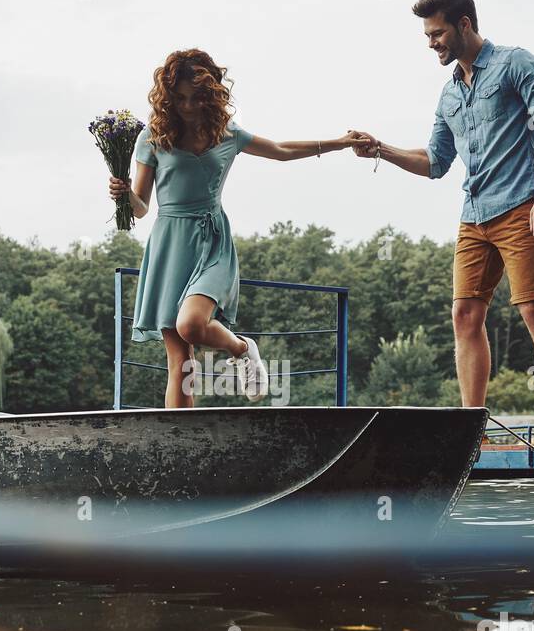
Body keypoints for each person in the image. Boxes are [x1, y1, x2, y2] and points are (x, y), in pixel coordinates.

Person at [349, 0, 534, 443]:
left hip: (520, 206)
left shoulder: (516, 64)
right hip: (473, 214)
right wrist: (381, 150)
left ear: (465, 25)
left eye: (436, 33)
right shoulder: (449, 93)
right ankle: (471, 429)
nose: (431, 43)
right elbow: (435, 162)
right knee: (464, 315)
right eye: (427, 35)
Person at [110, 48, 362, 408]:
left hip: (212, 243)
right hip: (168, 245)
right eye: (179, 98)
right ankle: (183, 448)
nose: (188, 106)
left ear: (210, 94)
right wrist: (124, 196)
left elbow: (280, 150)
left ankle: (242, 349)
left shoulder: (226, 133)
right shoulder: (153, 137)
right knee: (180, 364)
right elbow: (141, 207)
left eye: (196, 97)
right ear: (168, 96)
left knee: (191, 325)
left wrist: (339, 142)